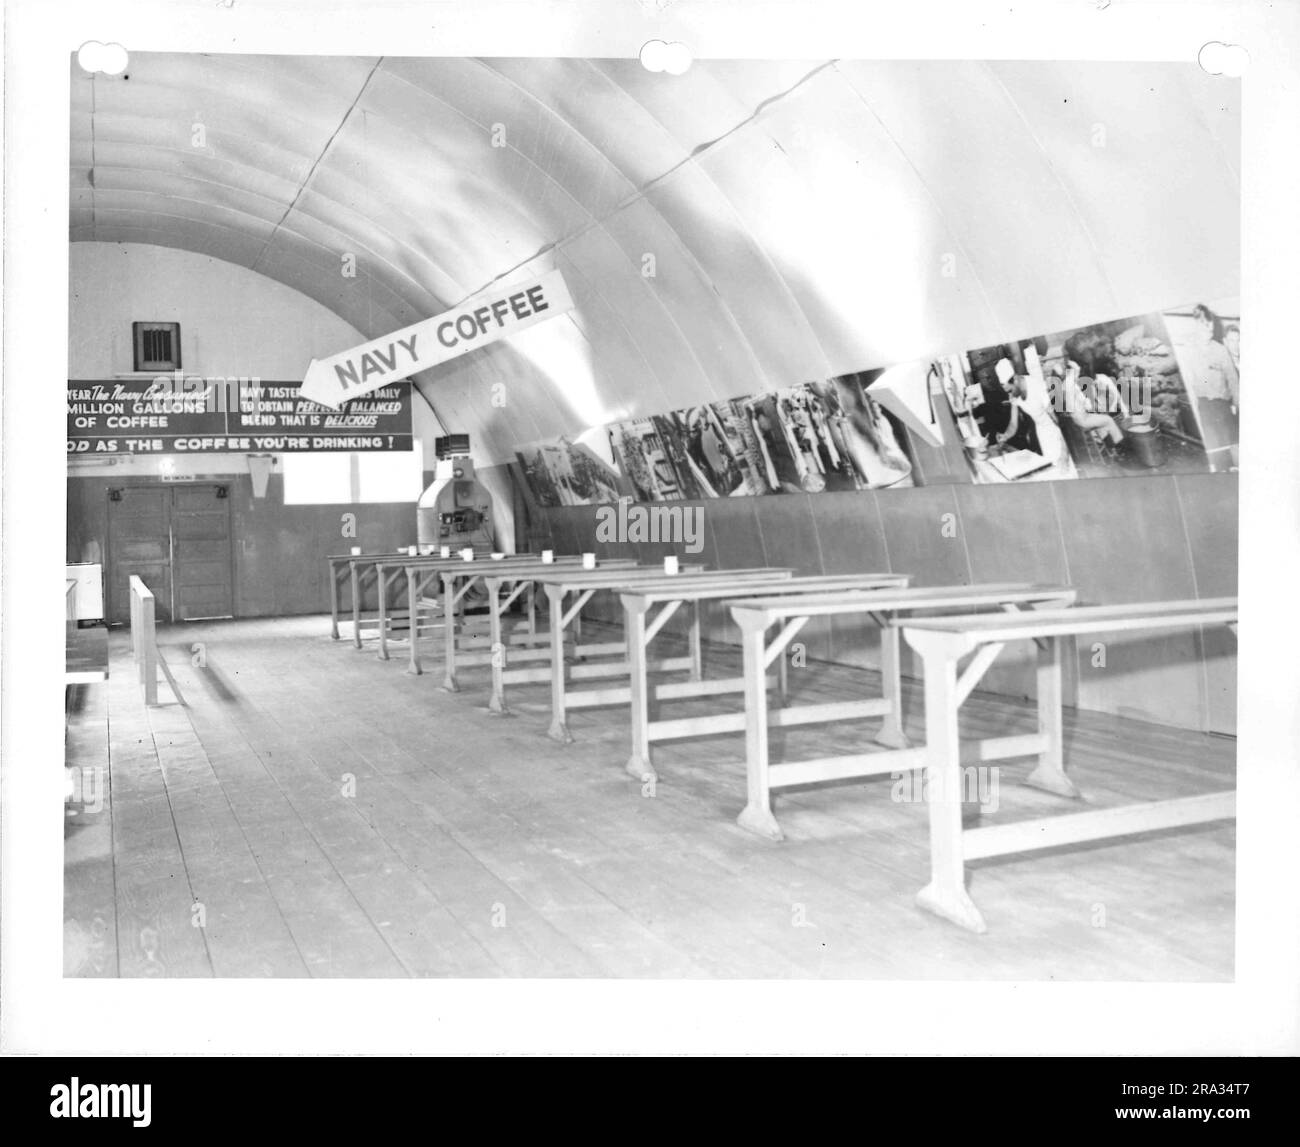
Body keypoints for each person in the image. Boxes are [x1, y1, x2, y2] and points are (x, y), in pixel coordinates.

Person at [1180, 304, 1239, 466]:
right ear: (1196, 326)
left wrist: (1237, 404)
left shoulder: (1220, 350)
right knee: (1217, 456)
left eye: (1211, 324)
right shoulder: (1189, 351)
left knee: (1235, 450)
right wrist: (1195, 413)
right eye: (1205, 324)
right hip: (1204, 408)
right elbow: (1189, 383)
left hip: (1223, 406)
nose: (1210, 328)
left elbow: (1232, 379)